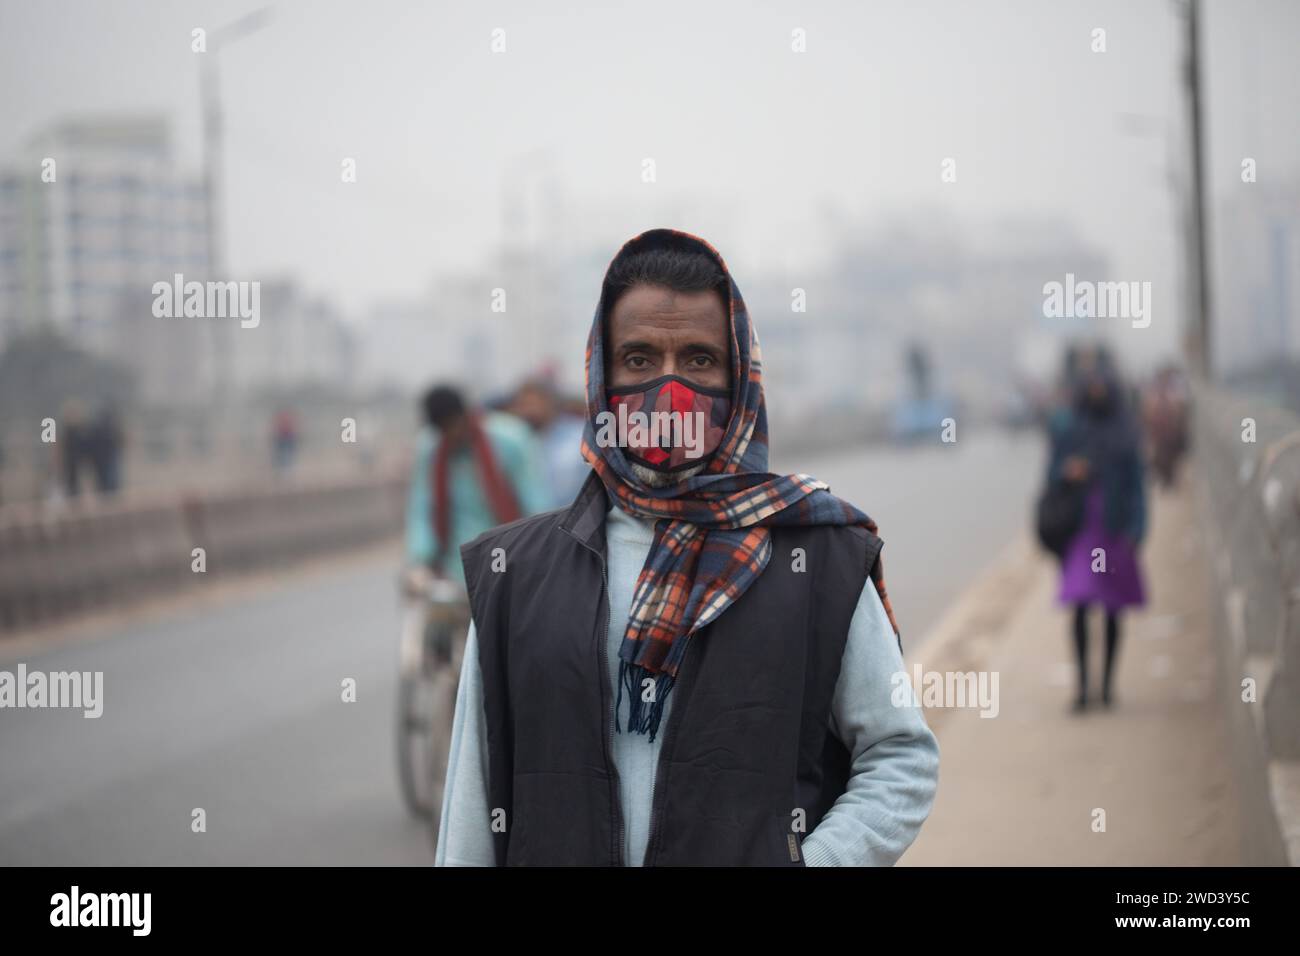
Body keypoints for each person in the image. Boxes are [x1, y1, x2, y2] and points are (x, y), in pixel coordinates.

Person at [435, 228, 939, 867]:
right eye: (639, 359)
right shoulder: (516, 573)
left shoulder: (821, 561)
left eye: (699, 360)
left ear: (739, 381)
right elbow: (472, 806)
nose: (669, 390)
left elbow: (899, 755)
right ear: (602, 379)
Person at [1048, 354, 1147, 712]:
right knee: (1079, 604)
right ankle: (1082, 688)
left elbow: (1137, 486)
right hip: (1080, 532)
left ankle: (1106, 686)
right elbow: (1051, 477)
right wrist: (1067, 473)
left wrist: (1137, 529)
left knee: (1112, 609)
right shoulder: (1070, 430)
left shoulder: (1125, 431)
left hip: (1113, 529)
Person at [404, 384, 549, 586]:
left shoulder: (509, 439)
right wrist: (419, 561)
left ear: (465, 414)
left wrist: (542, 552)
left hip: (509, 559)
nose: (452, 433)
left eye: (453, 424)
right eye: (444, 429)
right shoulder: (431, 448)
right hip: (456, 570)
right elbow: (423, 508)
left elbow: (535, 501)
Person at [508, 378, 589, 509]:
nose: (528, 411)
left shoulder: (579, 438)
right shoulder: (516, 441)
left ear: (550, 403)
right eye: (523, 405)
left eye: (533, 404)